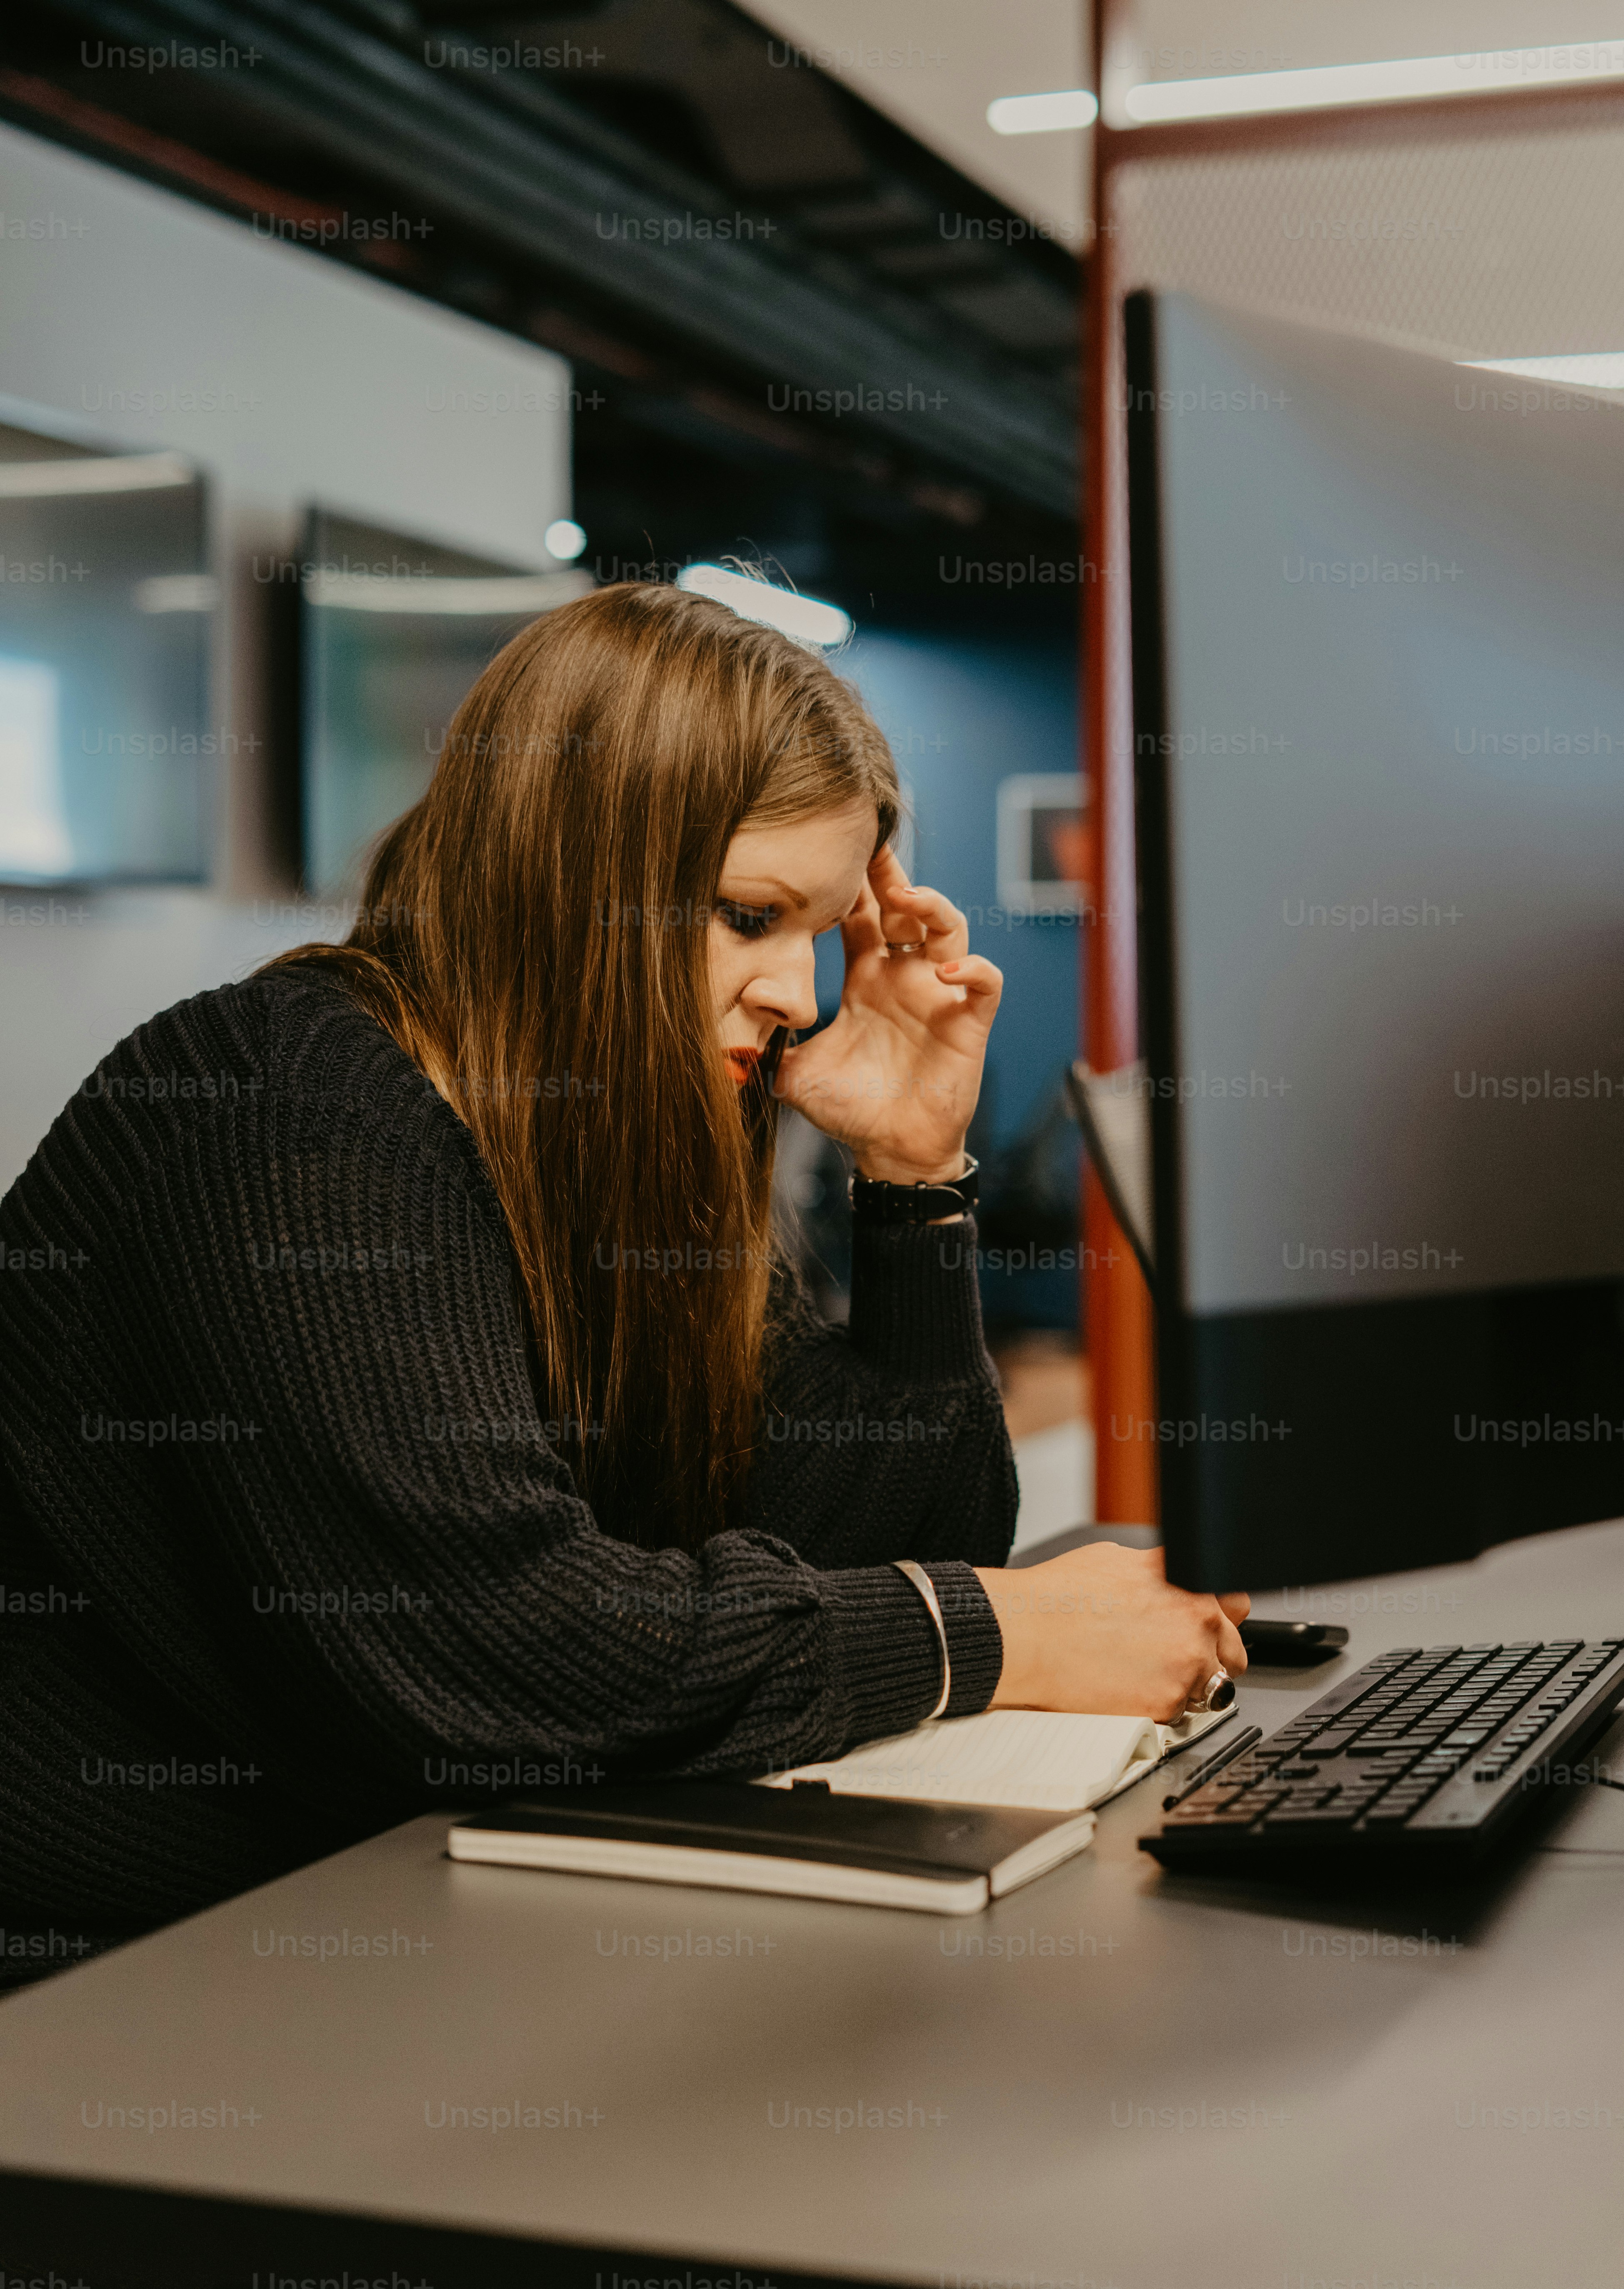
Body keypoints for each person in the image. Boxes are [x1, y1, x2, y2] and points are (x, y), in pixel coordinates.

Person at [0, 582, 1245, 1977]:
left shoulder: (602, 1142)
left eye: (815, 934)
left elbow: (885, 1539)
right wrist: (985, 1631)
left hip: (391, 1906)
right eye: (746, 915)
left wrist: (911, 1181)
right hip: (109, 1986)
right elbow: (493, 1659)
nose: (797, 996)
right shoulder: (278, 1103)